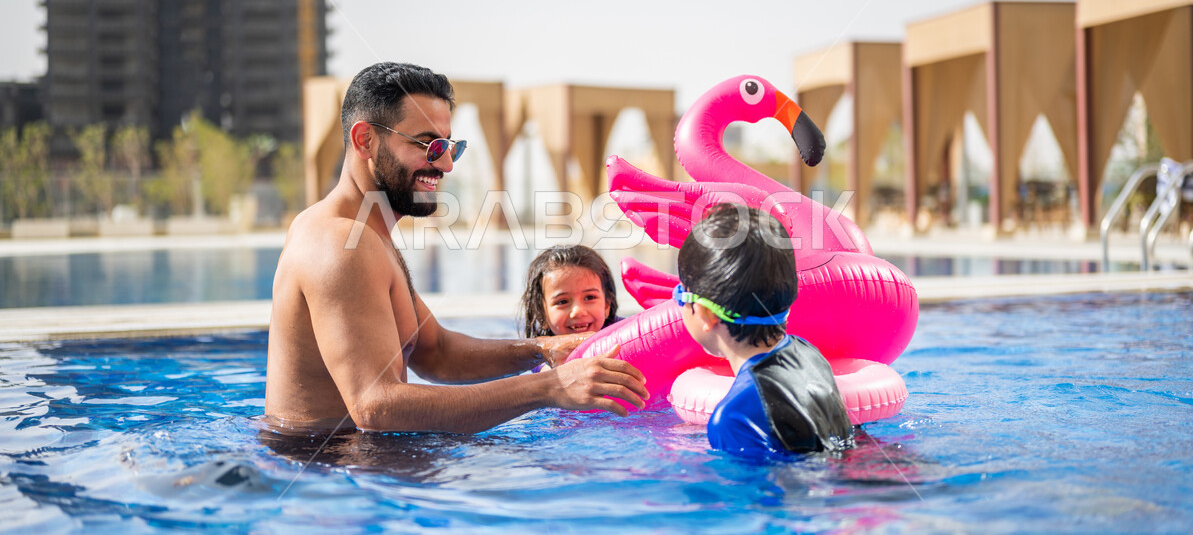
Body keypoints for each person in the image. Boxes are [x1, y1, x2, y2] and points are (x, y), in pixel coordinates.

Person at [265, 62, 647, 434]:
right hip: (330, 478)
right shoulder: (338, 245)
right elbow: (375, 407)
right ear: (365, 139)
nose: (445, 164)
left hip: (356, 472)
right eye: (428, 145)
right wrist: (551, 387)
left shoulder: (369, 237)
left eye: (448, 145)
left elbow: (437, 352)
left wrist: (546, 349)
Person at [674, 203, 853, 458]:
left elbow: (762, 494)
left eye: (679, 295)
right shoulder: (809, 354)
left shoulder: (733, 417)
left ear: (705, 313)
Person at [519, 245, 619, 338]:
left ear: (606, 305)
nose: (578, 312)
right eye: (562, 302)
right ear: (542, 315)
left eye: (590, 297)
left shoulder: (625, 335)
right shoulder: (538, 354)